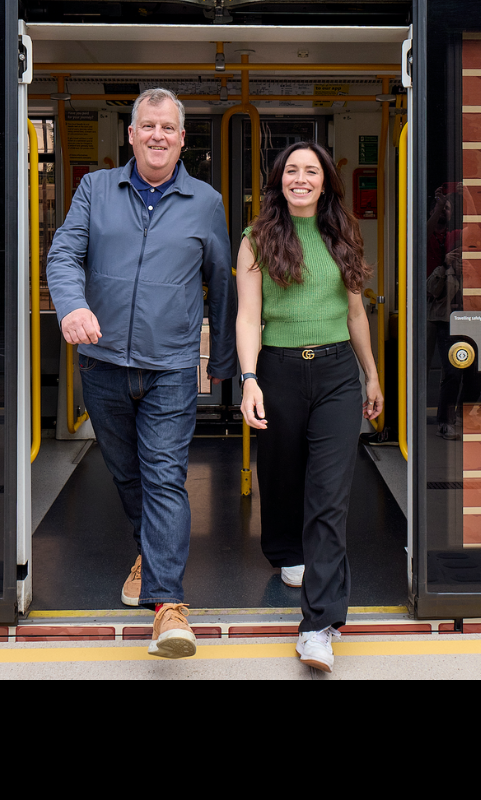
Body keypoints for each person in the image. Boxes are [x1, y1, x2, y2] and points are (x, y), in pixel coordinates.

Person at [46, 87, 236, 659]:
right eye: (147, 126)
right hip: (102, 365)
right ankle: (149, 553)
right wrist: (72, 305)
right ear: (130, 135)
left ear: (183, 139)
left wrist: (224, 363)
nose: (157, 135)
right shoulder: (95, 189)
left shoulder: (206, 202)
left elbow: (221, 281)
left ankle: (169, 607)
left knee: (163, 477)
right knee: (127, 477)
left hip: (172, 367)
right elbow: (63, 255)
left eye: (169, 128)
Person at [235, 141, 383, 673]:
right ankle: (284, 552)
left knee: (328, 495)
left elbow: (356, 314)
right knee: (280, 473)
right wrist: (249, 379)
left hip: (338, 372)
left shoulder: (341, 233)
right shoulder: (256, 239)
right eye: (291, 170)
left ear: (325, 181)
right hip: (277, 369)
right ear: (279, 180)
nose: (301, 178)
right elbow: (249, 317)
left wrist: (371, 375)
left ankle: (319, 625)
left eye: (311, 171)